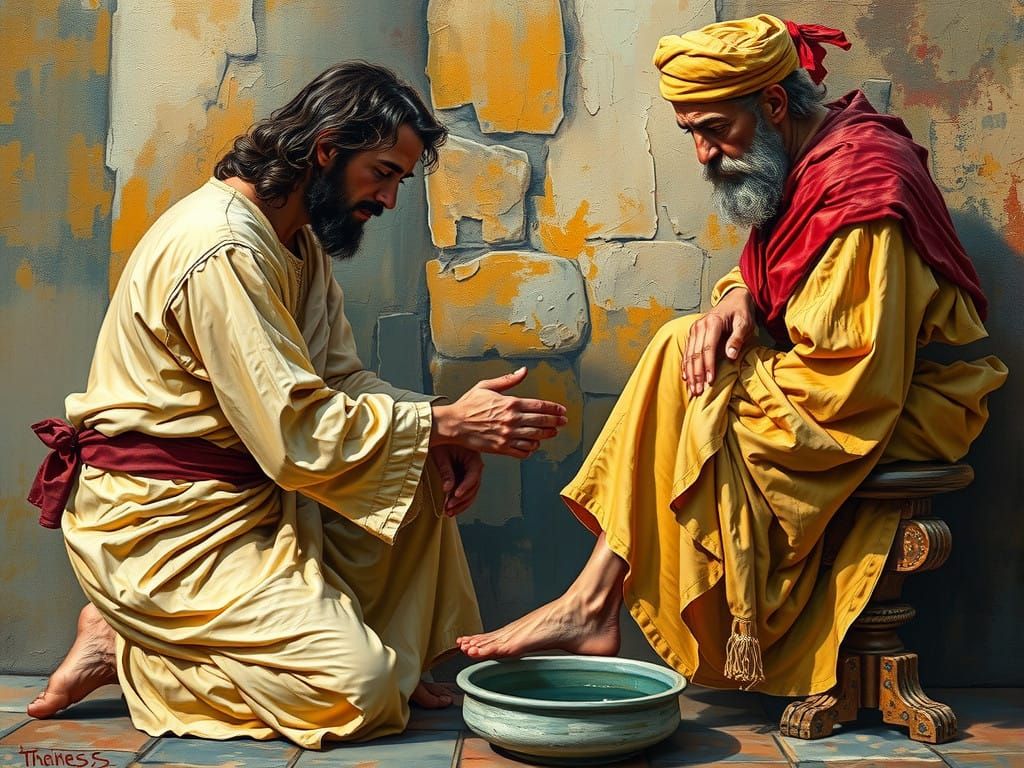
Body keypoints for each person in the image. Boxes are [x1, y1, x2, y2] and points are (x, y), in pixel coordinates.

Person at [457, 15, 1007, 695]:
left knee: (676, 360)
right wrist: (738, 295)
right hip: (837, 387)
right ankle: (590, 603)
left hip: (875, 407)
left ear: (773, 103)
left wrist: (732, 331)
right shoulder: (808, 156)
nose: (703, 154)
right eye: (690, 132)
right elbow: (783, 274)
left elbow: (849, 379)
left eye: (716, 129)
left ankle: (590, 601)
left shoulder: (860, 184)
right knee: (683, 353)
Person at [26, 61, 568, 747]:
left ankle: (358, 657)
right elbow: (292, 431)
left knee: (420, 477)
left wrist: (444, 428)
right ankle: (132, 646)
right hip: (169, 525)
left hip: (250, 499)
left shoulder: (296, 243)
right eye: (382, 174)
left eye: (399, 181)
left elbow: (338, 381)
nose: (389, 200)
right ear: (326, 149)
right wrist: (444, 423)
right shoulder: (223, 249)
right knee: (360, 693)